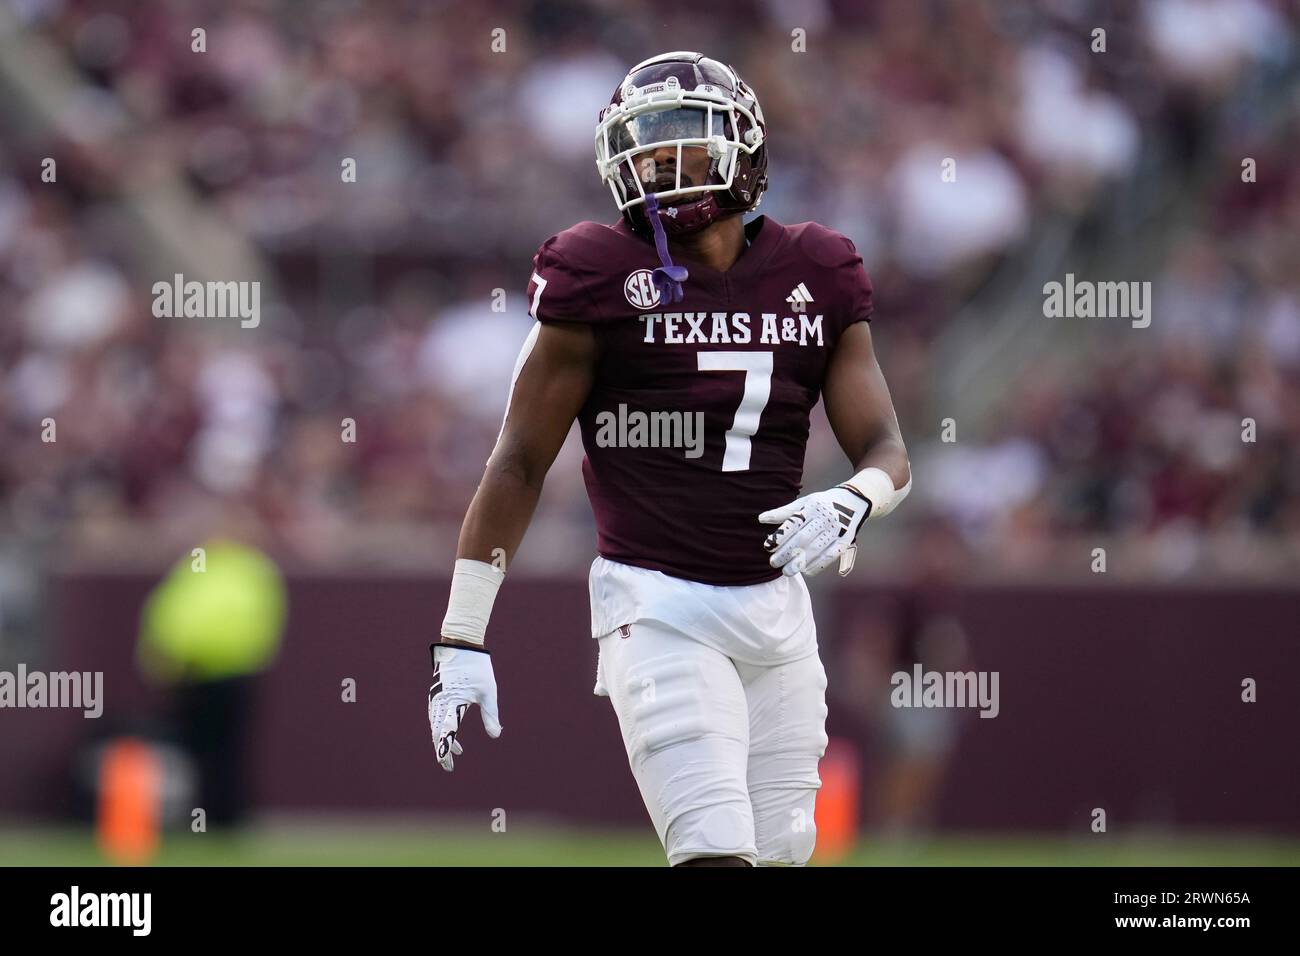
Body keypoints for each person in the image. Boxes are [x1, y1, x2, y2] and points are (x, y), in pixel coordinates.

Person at [427, 51, 911, 867]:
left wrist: (854, 499)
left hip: (778, 614)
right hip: (656, 605)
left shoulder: (817, 268)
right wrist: (461, 633)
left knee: (784, 856)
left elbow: (888, 448)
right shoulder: (598, 272)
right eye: (642, 143)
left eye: (682, 137)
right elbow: (517, 462)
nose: (656, 160)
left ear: (745, 149)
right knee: (714, 852)